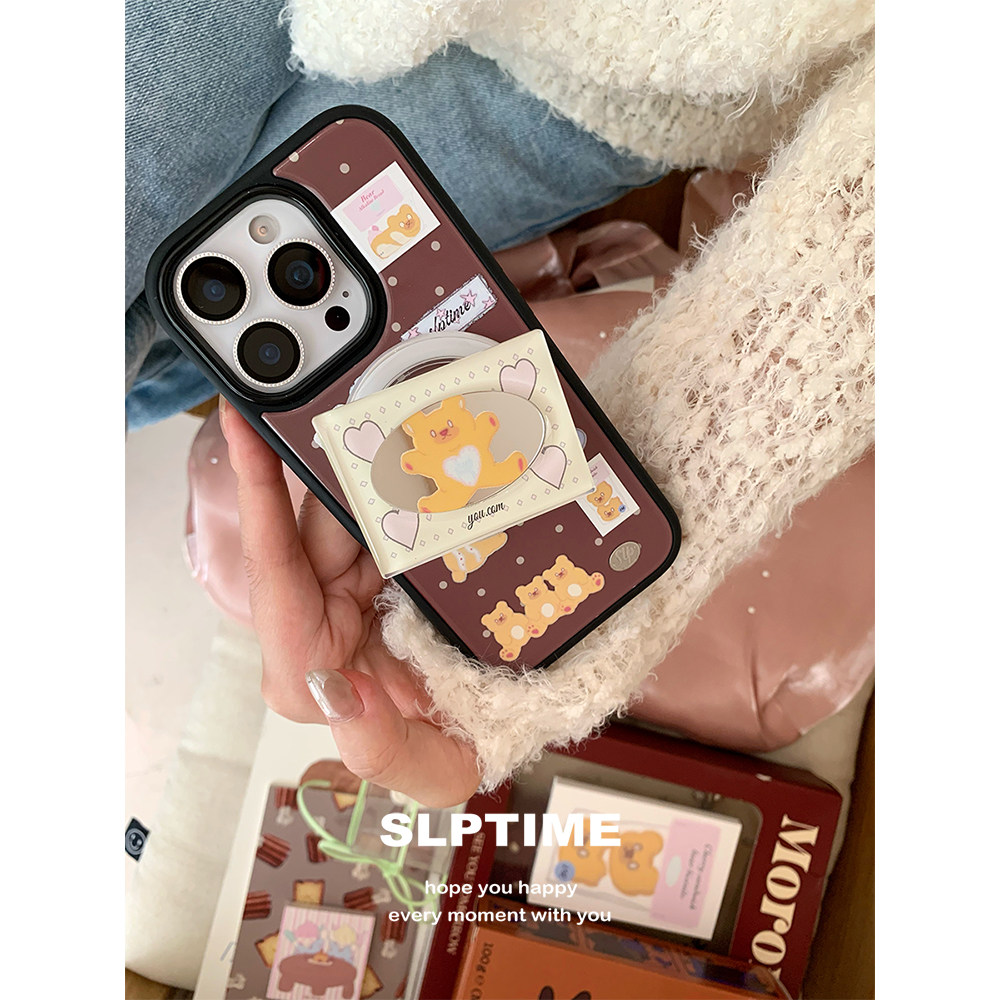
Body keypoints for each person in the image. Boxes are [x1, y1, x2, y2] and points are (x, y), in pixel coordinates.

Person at [130, 0, 875, 807]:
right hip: (610, 60)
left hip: (629, 72)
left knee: (158, 325)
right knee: (162, 324)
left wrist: (557, 610)